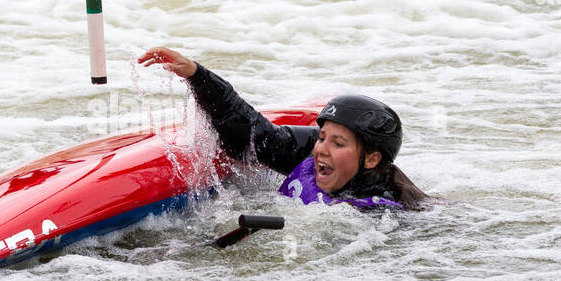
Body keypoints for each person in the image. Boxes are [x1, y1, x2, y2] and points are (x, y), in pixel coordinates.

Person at [137, 46, 427, 210]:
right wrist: (197, 75)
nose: (322, 149)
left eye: (338, 144)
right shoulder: (314, 153)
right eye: (322, 137)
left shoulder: (383, 215)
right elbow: (251, 135)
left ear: (372, 159)